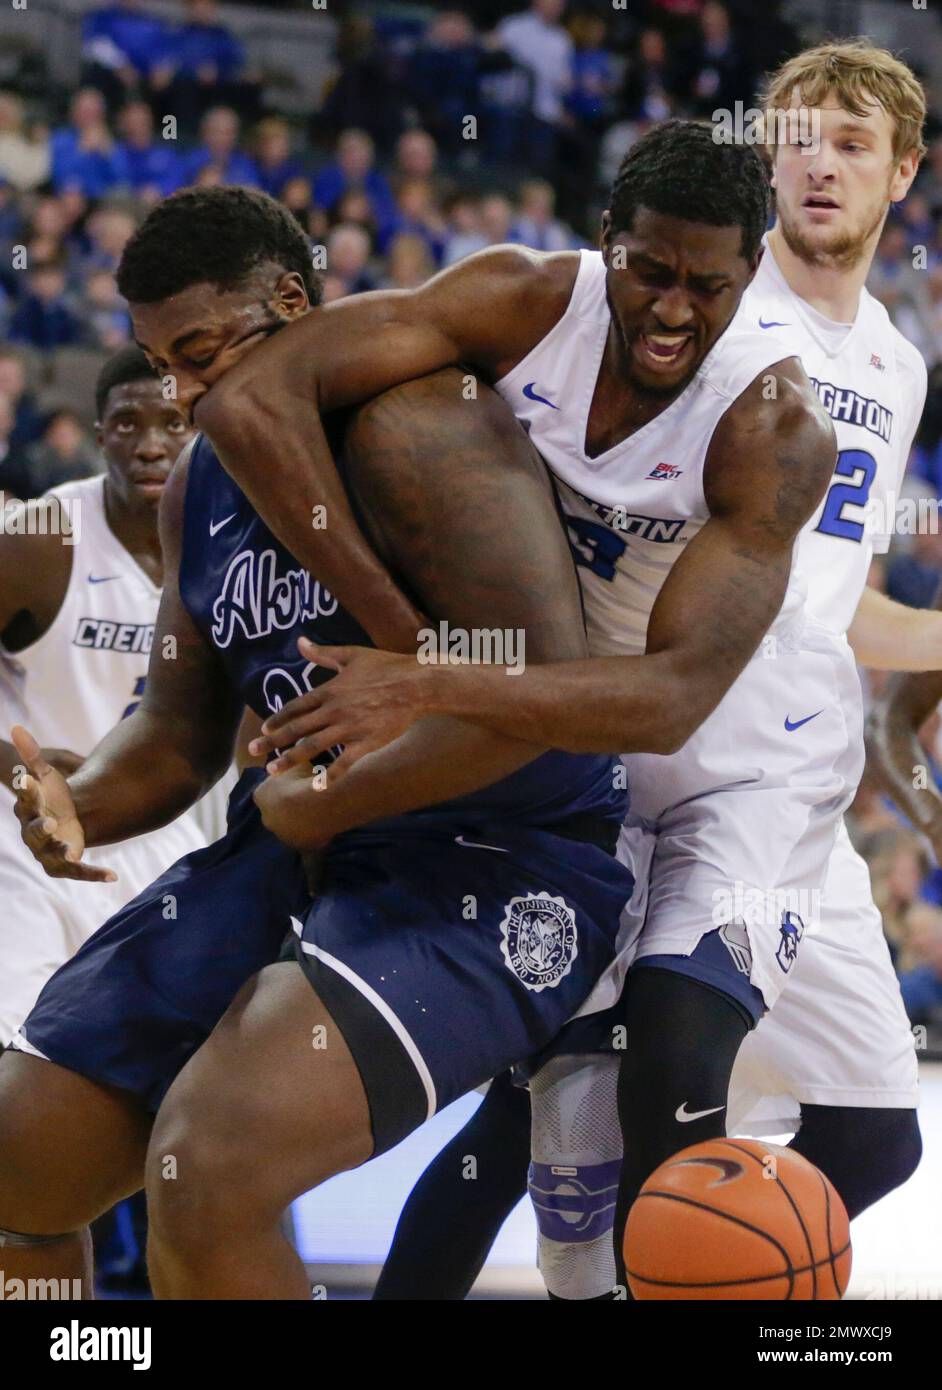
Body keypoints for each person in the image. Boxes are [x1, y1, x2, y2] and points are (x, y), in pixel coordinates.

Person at [358, 41, 940, 1296]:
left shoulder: (897, 359)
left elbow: (834, 602)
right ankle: (652, 1259)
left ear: (906, 173)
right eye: (799, 136)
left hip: (784, 765)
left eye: (853, 142)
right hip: (625, 737)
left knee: (878, 1133)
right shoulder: (704, 308)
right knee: (554, 1117)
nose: (820, 164)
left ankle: (707, 1256)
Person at [0, 187, 634, 1300]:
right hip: (295, 847)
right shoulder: (200, 478)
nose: (184, 391)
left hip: (492, 857)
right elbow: (175, 730)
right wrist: (81, 799)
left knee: (210, 1166)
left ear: (294, 303)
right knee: (20, 1160)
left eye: (199, 352)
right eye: (159, 363)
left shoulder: (425, 420)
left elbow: (542, 693)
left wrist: (336, 800)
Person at [0, 348, 214, 1046]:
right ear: (98, 437)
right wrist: (13, 765)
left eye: (172, 422)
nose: (150, 445)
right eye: (127, 424)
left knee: (160, 1077)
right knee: (20, 1050)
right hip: (21, 824)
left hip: (160, 831)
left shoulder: (230, 547)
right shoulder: (40, 539)